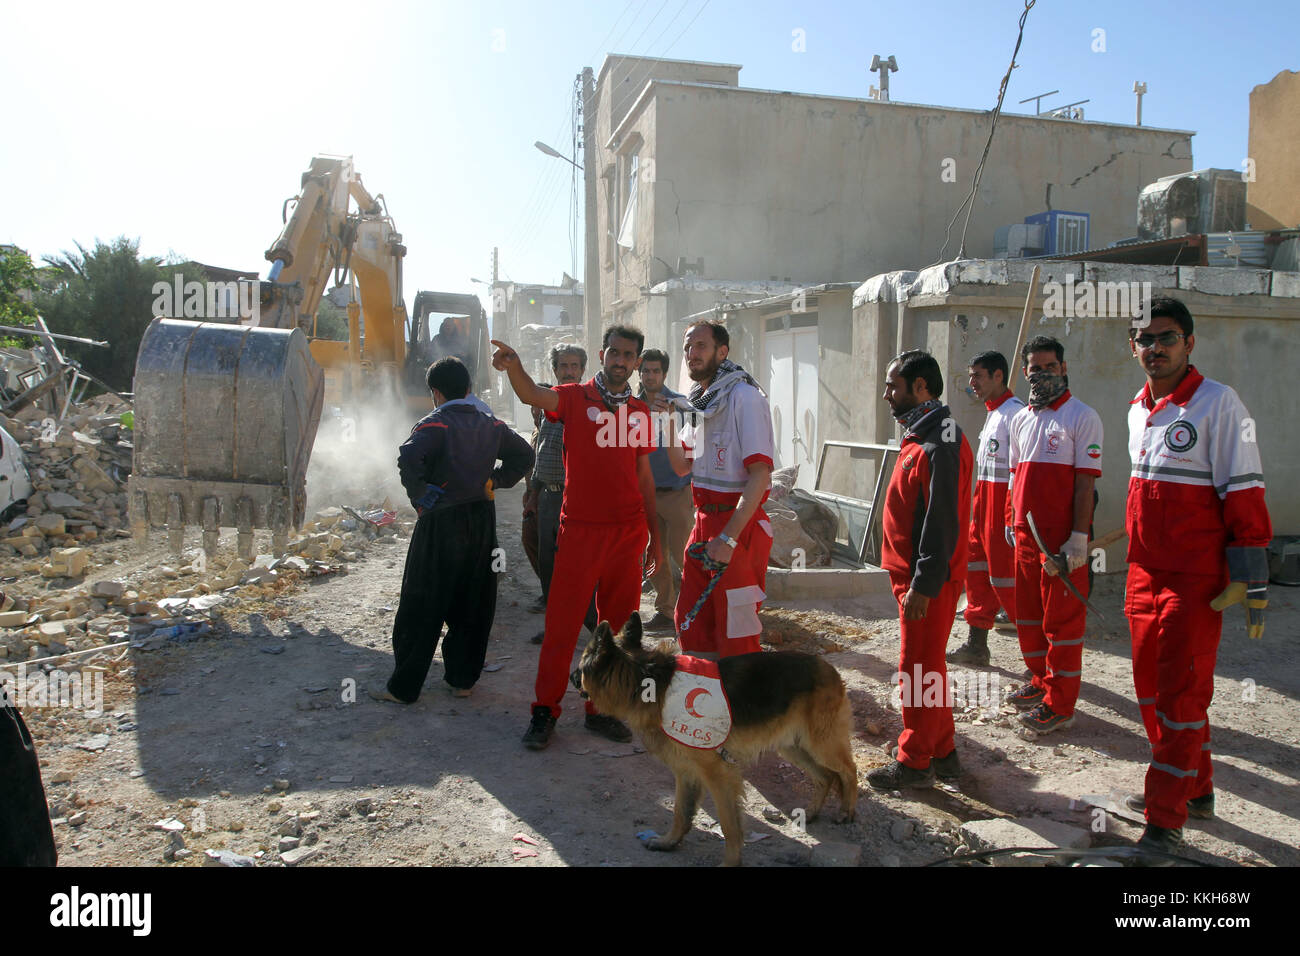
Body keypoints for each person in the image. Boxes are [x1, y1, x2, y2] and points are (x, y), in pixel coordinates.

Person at [1121, 297, 1271, 858]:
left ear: (1189, 343)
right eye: (1144, 339)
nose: (1154, 348)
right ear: (1133, 347)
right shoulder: (1138, 409)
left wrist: (1251, 578)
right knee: (1151, 693)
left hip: (1193, 580)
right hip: (1143, 573)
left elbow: (1245, 489)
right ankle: (1197, 791)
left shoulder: (1219, 405)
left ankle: (1165, 820)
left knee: (1181, 697)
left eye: (1166, 337)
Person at [492, 326, 662, 750]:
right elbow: (534, 395)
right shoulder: (573, 396)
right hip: (580, 533)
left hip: (628, 535)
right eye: (615, 352)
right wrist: (514, 368)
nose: (621, 360)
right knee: (562, 629)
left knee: (617, 633)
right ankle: (544, 712)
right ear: (603, 354)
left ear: (636, 362)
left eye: (629, 355)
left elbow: (644, 475)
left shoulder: (640, 412)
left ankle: (601, 708)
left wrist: (655, 538)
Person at [369, 357, 533, 704]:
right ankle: (462, 680)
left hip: (441, 522)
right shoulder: (491, 425)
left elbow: (409, 458)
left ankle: (404, 687)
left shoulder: (434, 424)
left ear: (436, 393)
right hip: (481, 520)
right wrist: (497, 480)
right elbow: (524, 455)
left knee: (422, 601)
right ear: (470, 390)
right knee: (474, 600)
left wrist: (420, 496)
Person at [867, 351, 973, 790]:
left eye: (894, 385)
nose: (886, 393)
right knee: (928, 667)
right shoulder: (921, 434)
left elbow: (941, 520)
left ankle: (914, 762)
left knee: (918, 672)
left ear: (922, 388)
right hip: (913, 578)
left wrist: (924, 585)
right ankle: (943, 751)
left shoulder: (939, 442)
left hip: (926, 582)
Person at [1004, 335, 1103, 734]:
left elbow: (1084, 485)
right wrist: (1012, 522)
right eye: (1034, 367)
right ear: (1025, 371)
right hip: (1025, 541)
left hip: (1061, 545)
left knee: (1061, 625)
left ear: (1063, 368)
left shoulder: (1082, 416)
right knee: (1027, 618)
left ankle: (1060, 705)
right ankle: (1039, 681)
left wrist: (1078, 537)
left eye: (1049, 366)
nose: (1041, 373)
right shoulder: (1021, 418)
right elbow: (1014, 476)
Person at [660, 321, 774, 657]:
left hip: (737, 529)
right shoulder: (700, 402)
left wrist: (728, 538)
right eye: (687, 347)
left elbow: (760, 475)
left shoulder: (745, 397)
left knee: (736, 633)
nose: (691, 354)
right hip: (703, 526)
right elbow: (683, 466)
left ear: (722, 352)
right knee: (691, 626)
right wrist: (667, 424)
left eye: (701, 346)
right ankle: (704, 705)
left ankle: (741, 708)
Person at [948, 351, 1024, 666]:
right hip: (982, 505)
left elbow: (1020, 471)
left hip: (1002, 506)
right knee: (976, 573)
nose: (972, 383)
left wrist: (1010, 517)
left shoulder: (1017, 414)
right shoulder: (993, 412)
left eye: (978, 376)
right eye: (970, 376)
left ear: (998, 376)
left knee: (1006, 581)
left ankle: (1041, 659)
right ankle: (977, 644)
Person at [525, 346, 597, 643]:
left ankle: (597, 633)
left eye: (574, 366)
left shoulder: (590, 406)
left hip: (577, 500)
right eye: (563, 365)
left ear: (582, 370)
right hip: (548, 498)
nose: (569, 370)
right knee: (548, 567)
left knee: (580, 571)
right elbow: (543, 454)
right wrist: (533, 495)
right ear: (555, 370)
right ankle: (557, 628)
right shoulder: (549, 406)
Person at [637, 348, 693, 633]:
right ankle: (666, 610)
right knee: (654, 554)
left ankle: (700, 608)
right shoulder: (630, 407)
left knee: (686, 554)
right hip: (645, 495)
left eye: (655, 371)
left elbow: (692, 447)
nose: (650, 376)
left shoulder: (680, 405)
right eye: (645, 370)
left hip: (678, 492)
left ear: (664, 373)